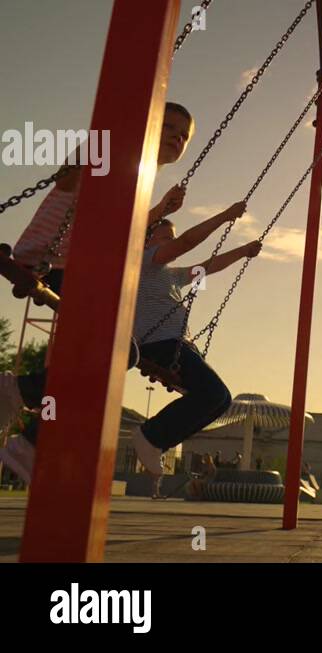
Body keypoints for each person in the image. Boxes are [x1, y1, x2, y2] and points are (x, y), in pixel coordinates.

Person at [0, 102, 195, 483]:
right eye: (169, 126)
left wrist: (158, 211)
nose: (176, 136)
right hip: (54, 263)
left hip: (79, 268)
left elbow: (121, 232)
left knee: (114, 355)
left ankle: (25, 423)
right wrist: (100, 139)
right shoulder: (121, 154)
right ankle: (21, 413)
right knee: (117, 352)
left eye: (184, 135)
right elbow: (68, 182)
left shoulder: (141, 175)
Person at [128, 209, 261, 477]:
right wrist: (224, 216)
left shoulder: (172, 274)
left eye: (171, 238)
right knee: (213, 393)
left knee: (221, 400)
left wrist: (243, 251)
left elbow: (209, 266)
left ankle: (157, 441)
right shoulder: (144, 262)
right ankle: (150, 435)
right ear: (145, 242)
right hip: (160, 344)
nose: (171, 243)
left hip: (178, 347)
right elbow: (187, 241)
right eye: (164, 237)